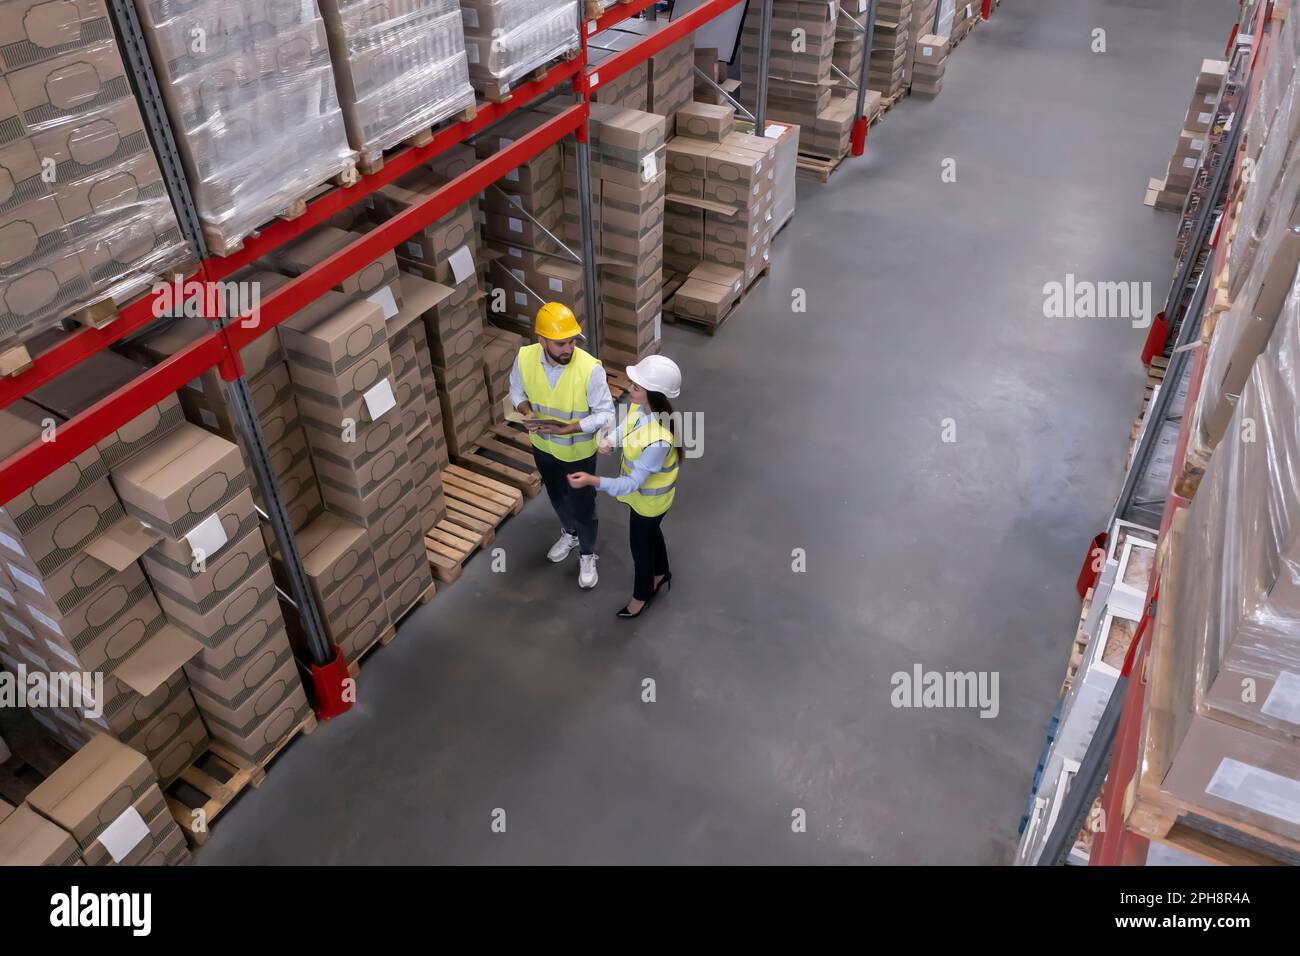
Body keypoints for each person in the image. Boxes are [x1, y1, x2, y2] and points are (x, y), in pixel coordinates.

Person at [509, 302, 615, 588]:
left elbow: (607, 413)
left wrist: (572, 427)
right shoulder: (525, 358)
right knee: (557, 496)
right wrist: (528, 414)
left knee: (583, 506)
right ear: (541, 340)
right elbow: (515, 389)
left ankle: (587, 553)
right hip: (543, 447)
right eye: (560, 343)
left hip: (577, 452)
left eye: (571, 341)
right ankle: (569, 533)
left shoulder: (589, 369)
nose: (568, 348)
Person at [567, 355, 681, 619]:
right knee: (652, 536)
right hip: (643, 500)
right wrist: (610, 440)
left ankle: (642, 596)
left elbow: (632, 483)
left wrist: (593, 481)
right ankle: (661, 573)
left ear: (653, 394)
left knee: (640, 549)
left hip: (649, 503)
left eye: (637, 386)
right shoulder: (640, 408)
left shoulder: (660, 440)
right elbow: (625, 428)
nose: (630, 388)